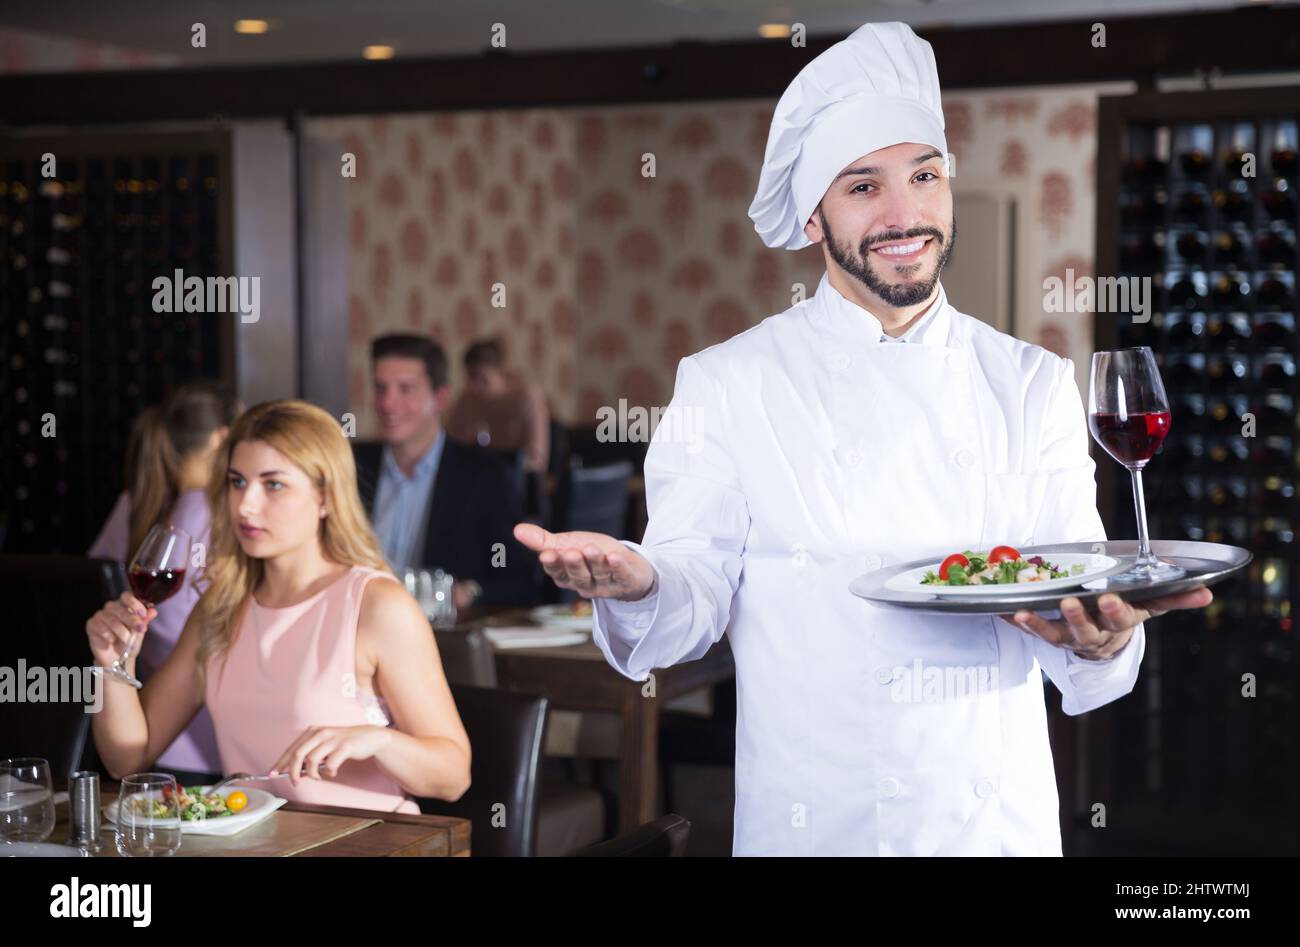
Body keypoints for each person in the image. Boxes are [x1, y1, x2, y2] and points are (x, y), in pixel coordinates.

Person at [514, 21, 1213, 855]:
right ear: (813, 218)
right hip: (818, 819)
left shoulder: (1029, 383)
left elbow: (1077, 594)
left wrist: (1105, 636)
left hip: (991, 823)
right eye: (863, 187)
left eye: (924, 174)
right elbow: (688, 602)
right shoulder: (730, 383)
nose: (905, 212)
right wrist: (636, 583)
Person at [87, 400, 470, 812]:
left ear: (325, 497)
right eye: (237, 482)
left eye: (273, 484)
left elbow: (453, 778)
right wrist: (111, 665)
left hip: (371, 844)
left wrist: (377, 739)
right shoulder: (221, 607)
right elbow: (126, 759)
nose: (246, 505)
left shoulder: (376, 607)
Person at [88, 380, 240, 784]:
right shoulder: (223, 513)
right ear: (224, 438)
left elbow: (93, 581)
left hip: (146, 721)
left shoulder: (135, 499)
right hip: (204, 742)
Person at [353, 334, 534, 606]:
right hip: (357, 629)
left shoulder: (485, 476)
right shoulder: (351, 467)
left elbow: (522, 581)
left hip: (442, 638)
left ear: (440, 398)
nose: (387, 403)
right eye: (380, 389)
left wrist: (469, 592)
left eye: (405, 389)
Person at [445, 337, 551, 475]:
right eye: (470, 377)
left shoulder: (527, 401)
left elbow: (537, 460)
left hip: (514, 482)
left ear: (500, 371)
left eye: (482, 378)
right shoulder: (466, 401)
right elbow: (451, 448)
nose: (474, 386)